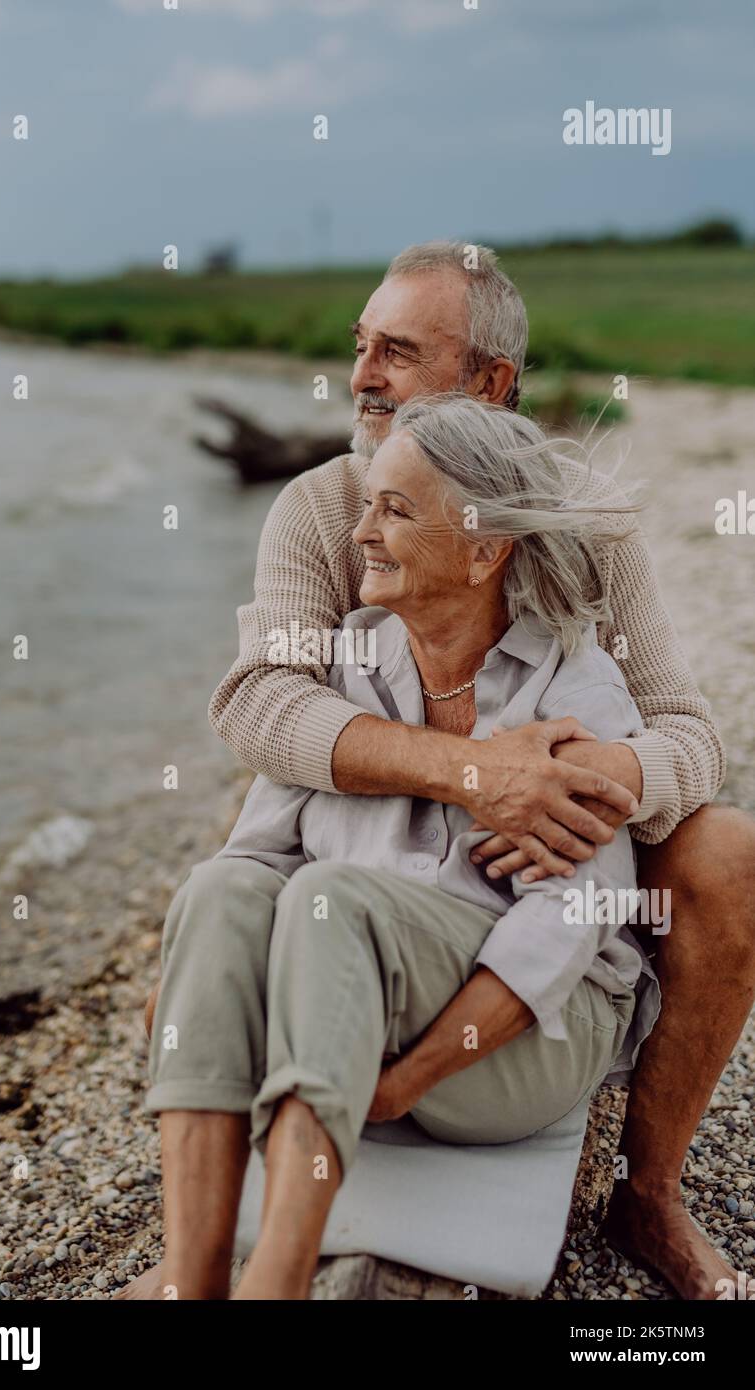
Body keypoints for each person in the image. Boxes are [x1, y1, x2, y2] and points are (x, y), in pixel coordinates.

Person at [203, 242, 755, 1300]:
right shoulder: (318, 511)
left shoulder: (583, 521)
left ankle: (647, 1193)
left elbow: (689, 734)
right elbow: (259, 706)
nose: (359, 377)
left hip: (541, 866)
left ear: (489, 382)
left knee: (726, 847)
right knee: (242, 857)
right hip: (383, 855)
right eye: (358, 347)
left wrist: (587, 774)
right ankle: (226, 1212)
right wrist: (476, 773)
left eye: (397, 353)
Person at [122, 395, 663, 1300]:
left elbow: (569, 927)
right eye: (368, 503)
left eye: (395, 510)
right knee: (218, 895)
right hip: (352, 1014)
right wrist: (196, 980)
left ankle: (276, 1289)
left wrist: (406, 1082)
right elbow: (254, 859)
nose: (362, 533)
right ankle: (195, 1275)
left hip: (515, 1049)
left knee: (332, 899)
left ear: (487, 549)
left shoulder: (577, 692)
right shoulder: (349, 663)